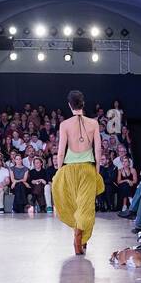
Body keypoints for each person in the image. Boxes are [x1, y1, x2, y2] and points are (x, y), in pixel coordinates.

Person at [53, 89, 105, 254]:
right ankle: (80, 239)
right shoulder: (94, 123)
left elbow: (60, 151)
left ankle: (78, 237)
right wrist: (97, 170)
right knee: (86, 206)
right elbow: (98, 149)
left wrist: (59, 171)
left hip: (69, 170)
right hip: (87, 168)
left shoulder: (64, 124)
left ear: (69, 105)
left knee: (74, 205)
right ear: (83, 104)